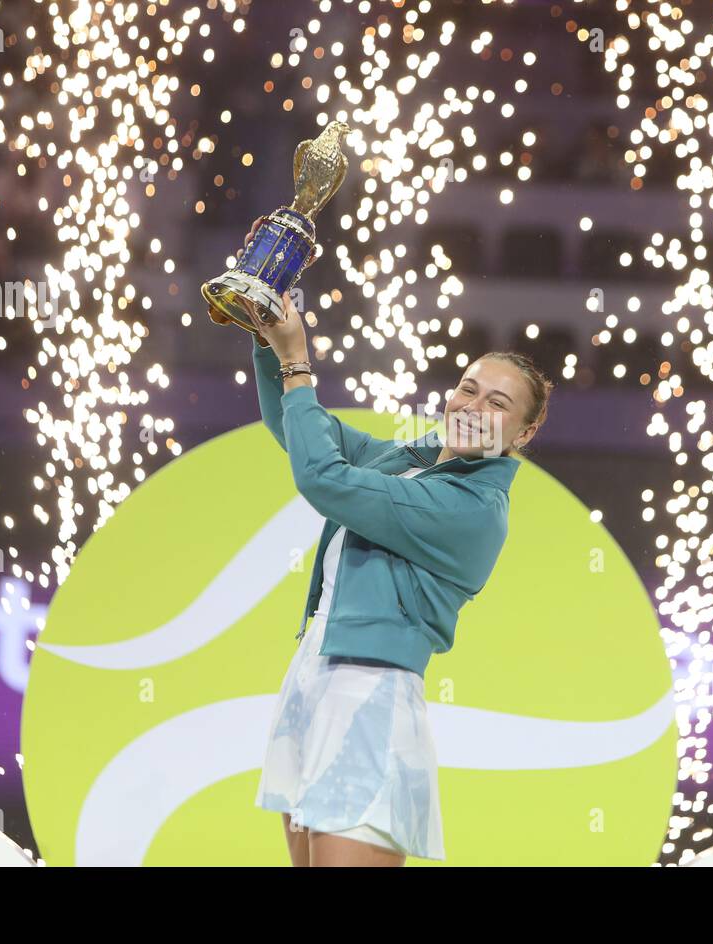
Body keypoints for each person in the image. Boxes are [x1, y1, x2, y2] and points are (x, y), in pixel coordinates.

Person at [230, 223, 553, 867]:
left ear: (524, 431)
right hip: (316, 681)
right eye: (467, 387)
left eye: (497, 403)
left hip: (369, 701)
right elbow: (296, 427)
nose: (471, 405)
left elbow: (322, 478)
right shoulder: (411, 461)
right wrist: (268, 331)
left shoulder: (470, 508)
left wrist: (298, 361)